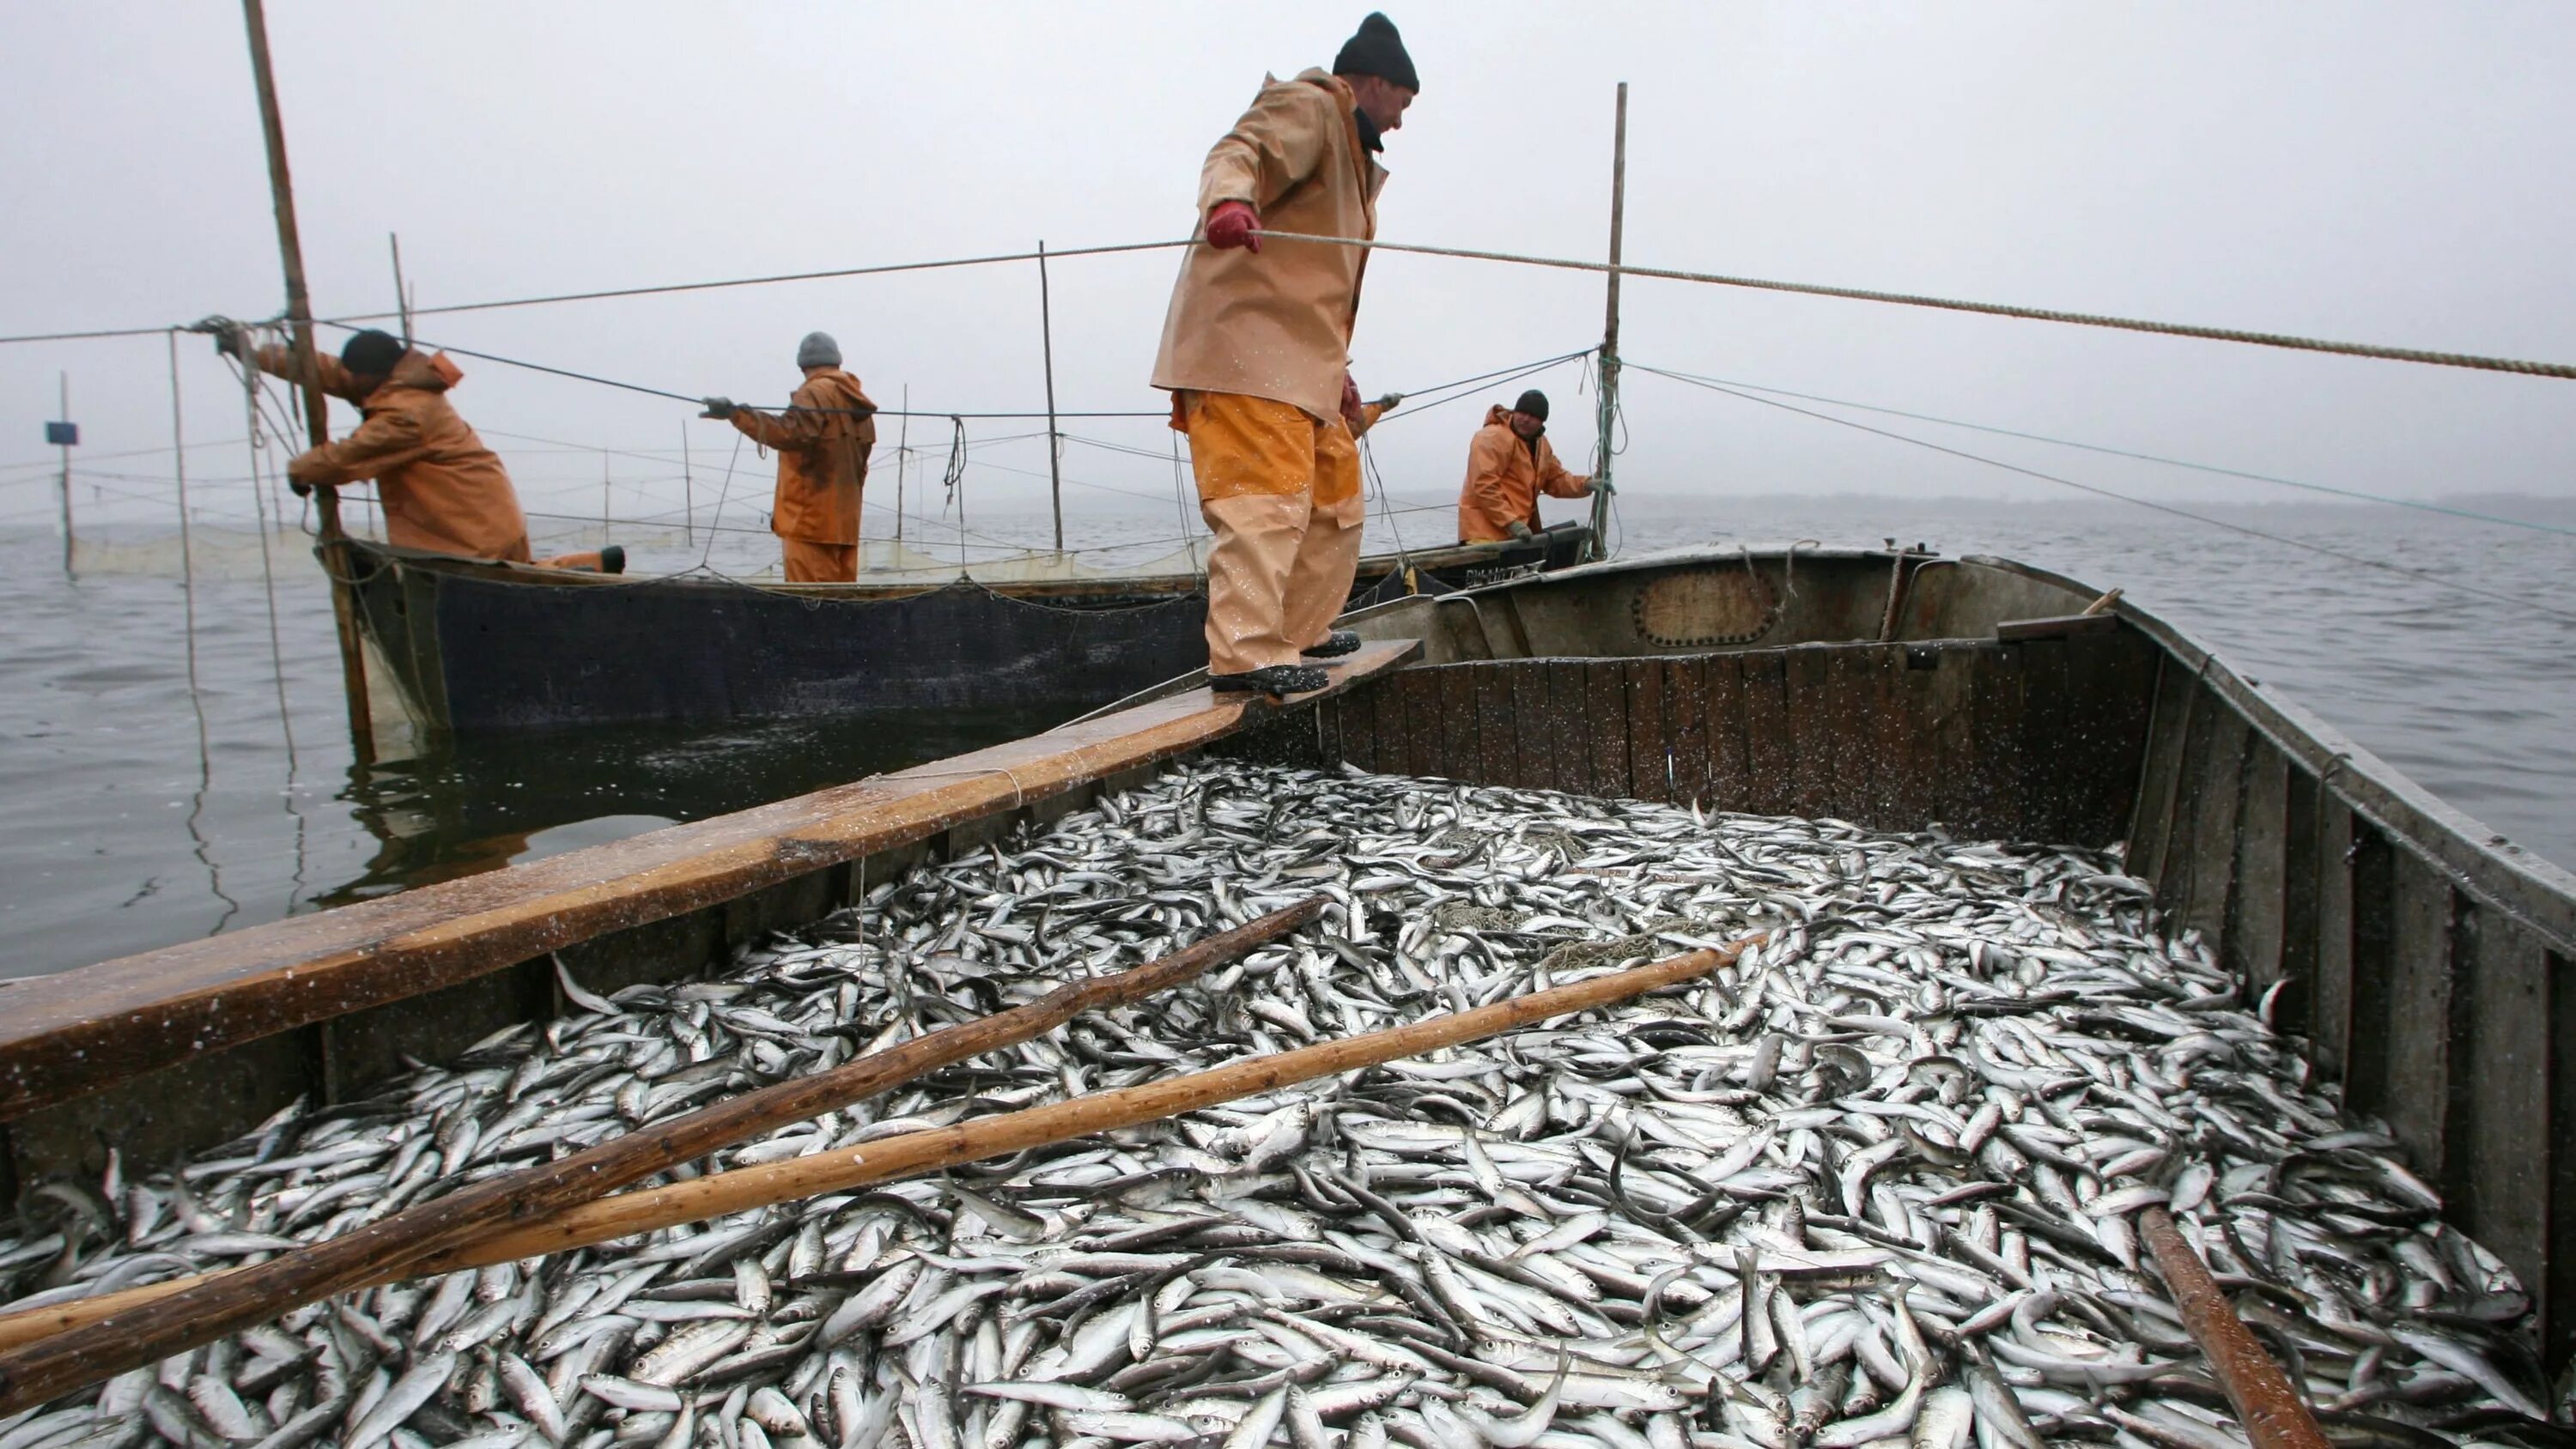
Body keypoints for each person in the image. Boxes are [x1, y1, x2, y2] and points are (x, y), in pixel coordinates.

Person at [1151, 13, 1419, 695]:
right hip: (1244, 352)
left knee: (1334, 493)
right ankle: (1245, 655)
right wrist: (1230, 205)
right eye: (1402, 104)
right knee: (1263, 500)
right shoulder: (1312, 104)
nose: (1399, 124)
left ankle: (1299, 632)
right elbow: (1240, 150)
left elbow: (1315, 287)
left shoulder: (1357, 167)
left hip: (1303, 366)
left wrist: (1342, 373)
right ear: (1376, 82)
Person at [216, 326, 617, 569]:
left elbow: (346, 458)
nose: (347, 383)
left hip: (468, 526)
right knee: (515, 575)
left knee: (501, 577)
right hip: (476, 516)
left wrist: (301, 471)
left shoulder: (407, 415)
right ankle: (591, 565)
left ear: (372, 375)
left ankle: (587, 567)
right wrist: (253, 353)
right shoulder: (393, 386)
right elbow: (327, 371)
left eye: (354, 378)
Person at [702, 332, 877, 584]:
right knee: (841, 603)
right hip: (845, 526)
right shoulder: (856, 402)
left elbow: (787, 433)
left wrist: (734, 413)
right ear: (837, 361)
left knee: (812, 606)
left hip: (809, 524)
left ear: (802, 364)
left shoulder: (815, 392)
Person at [1456, 387, 1601, 544]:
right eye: (1522, 413)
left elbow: (1555, 479)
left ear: (1542, 422)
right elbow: (1484, 486)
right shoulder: (1492, 437)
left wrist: (1586, 484)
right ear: (1514, 412)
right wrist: (1511, 523)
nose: (1526, 419)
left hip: (1516, 534)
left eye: (1533, 416)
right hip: (1483, 534)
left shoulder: (1542, 445)